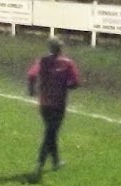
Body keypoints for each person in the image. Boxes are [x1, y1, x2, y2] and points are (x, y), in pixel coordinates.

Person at [25, 39, 80, 176]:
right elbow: (75, 83)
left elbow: (31, 74)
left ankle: (56, 162)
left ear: (50, 48)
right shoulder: (67, 63)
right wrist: (65, 85)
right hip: (59, 103)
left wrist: (31, 90)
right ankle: (40, 163)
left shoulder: (42, 61)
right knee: (50, 133)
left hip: (44, 103)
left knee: (51, 132)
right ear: (61, 49)